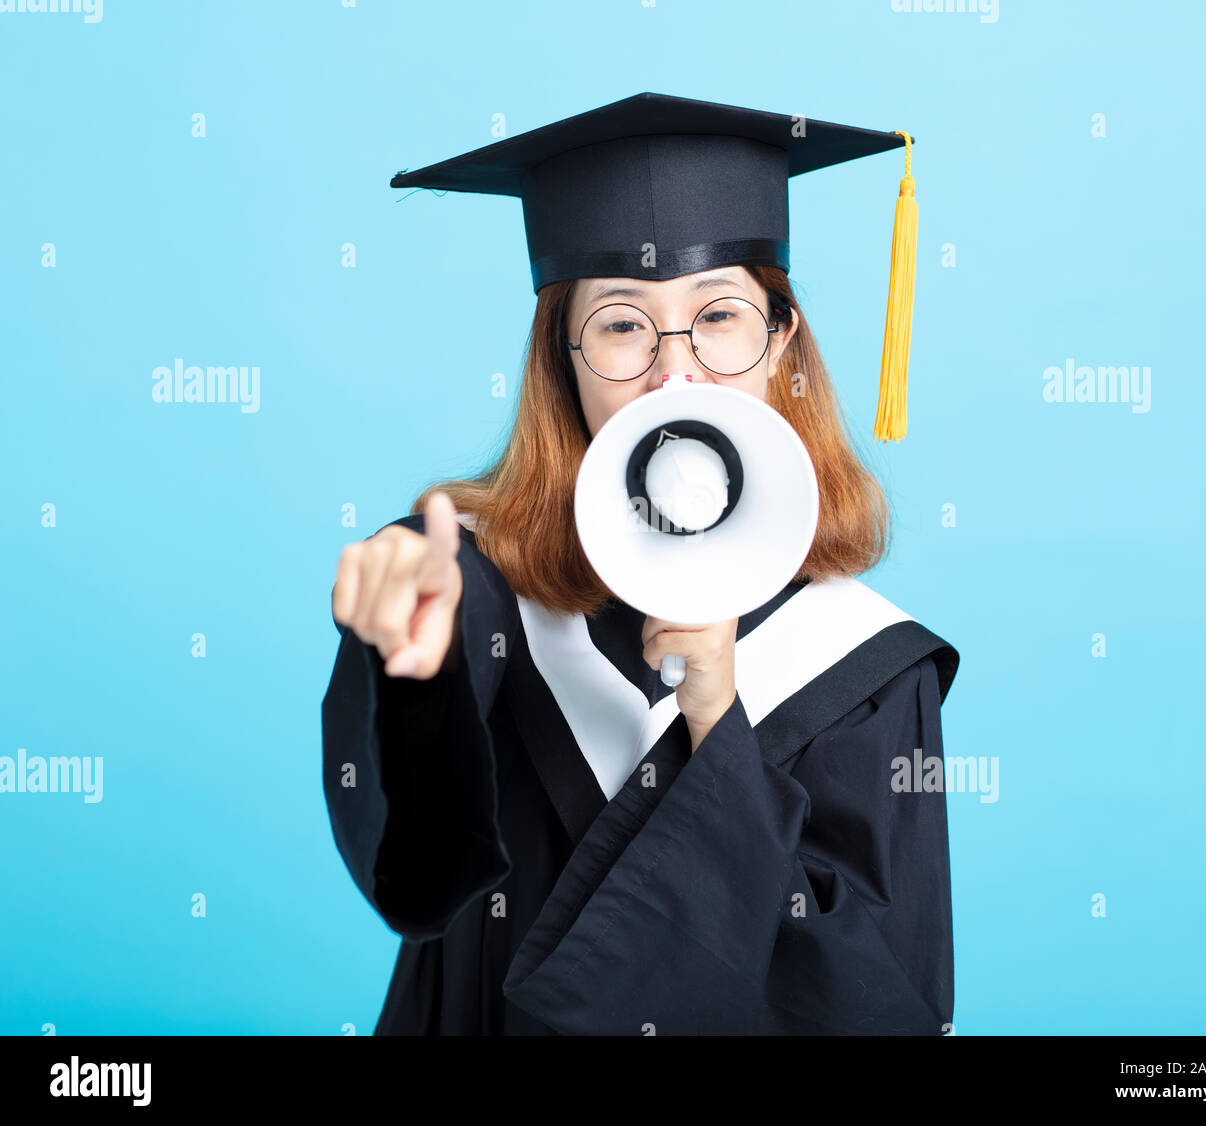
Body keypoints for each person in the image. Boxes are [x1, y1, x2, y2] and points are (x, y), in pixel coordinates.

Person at [321, 92, 960, 1035]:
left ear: (781, 343)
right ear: (562, 361)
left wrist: (717, 728)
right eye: (623, 326)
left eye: (721, 315)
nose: (676, 373)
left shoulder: (864, 666)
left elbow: (876, 992)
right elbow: (422, 868)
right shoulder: (486, 591)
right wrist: (413, 665)